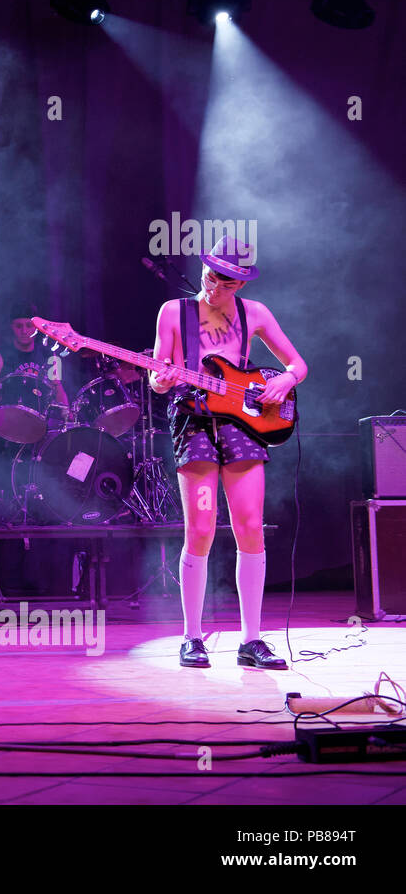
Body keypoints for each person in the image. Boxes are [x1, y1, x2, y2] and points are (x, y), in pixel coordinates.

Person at [148, 237, 306, 669]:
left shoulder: (254, 312)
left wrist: (284, 382)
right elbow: (159, 372)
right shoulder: (173, 312)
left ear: (240, 284)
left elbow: (297, 364)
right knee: (200, 528)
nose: (216, 290)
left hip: (243, 425)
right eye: (211, 278)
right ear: (203, 269)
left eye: (227, 284)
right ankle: (192, 637)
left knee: (250, 525)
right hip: (194, 421)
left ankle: (251, 641)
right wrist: (160, 381)